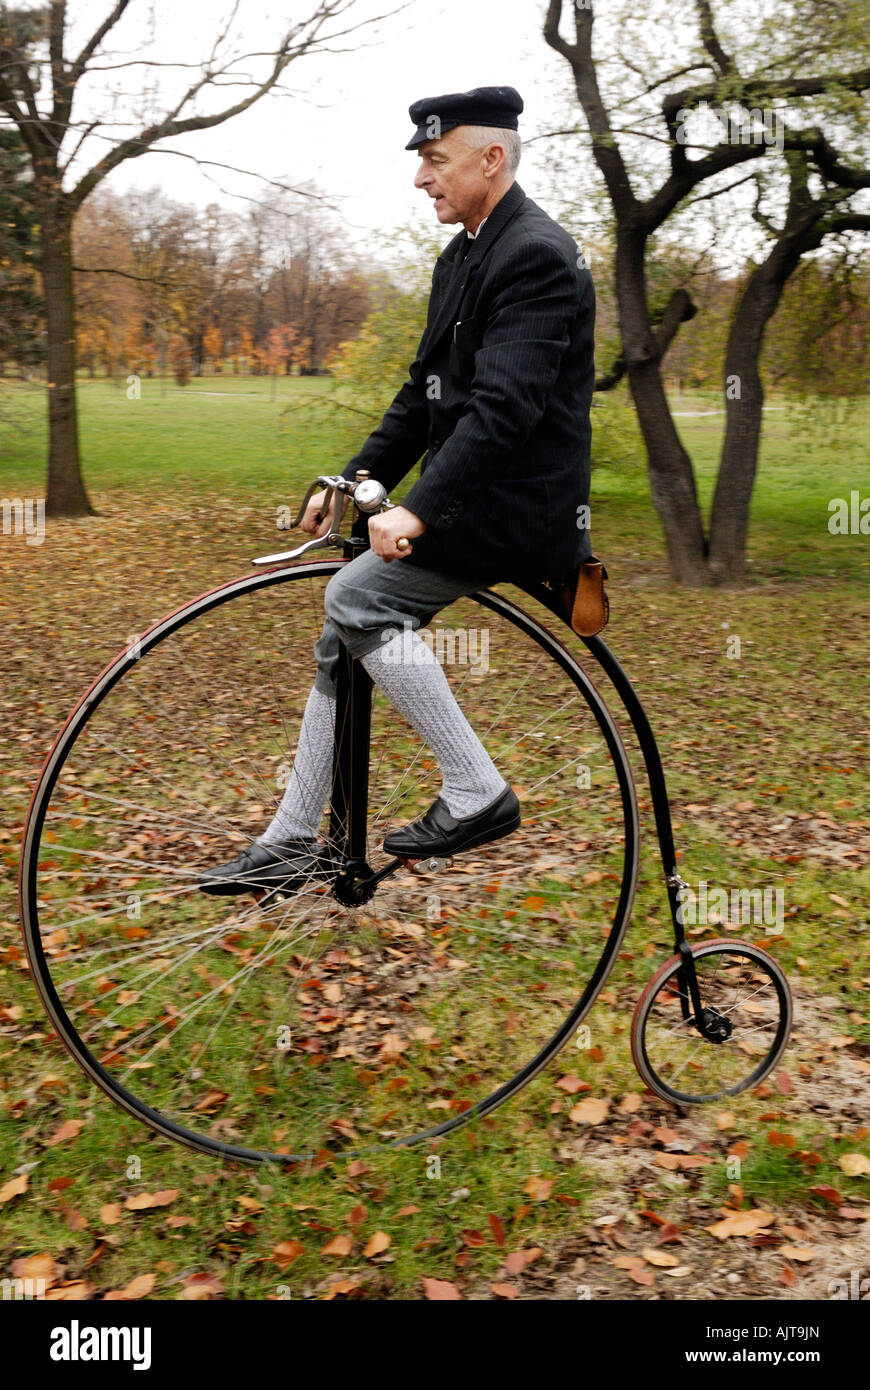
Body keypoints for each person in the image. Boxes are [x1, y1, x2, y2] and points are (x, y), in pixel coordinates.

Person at [199, 84, 595, 898]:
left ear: (492, 158)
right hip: (474, 499)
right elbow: (426, 394)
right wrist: (358, 478)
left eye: (436, 160)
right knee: (342, 641)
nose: (422, 179)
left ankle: (477, 791)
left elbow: (503, 410)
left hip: (515, 511)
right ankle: (290, 838)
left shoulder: (536, 254)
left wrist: (416, 506)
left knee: (359, 601)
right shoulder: (464, 255)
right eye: (422, 162)